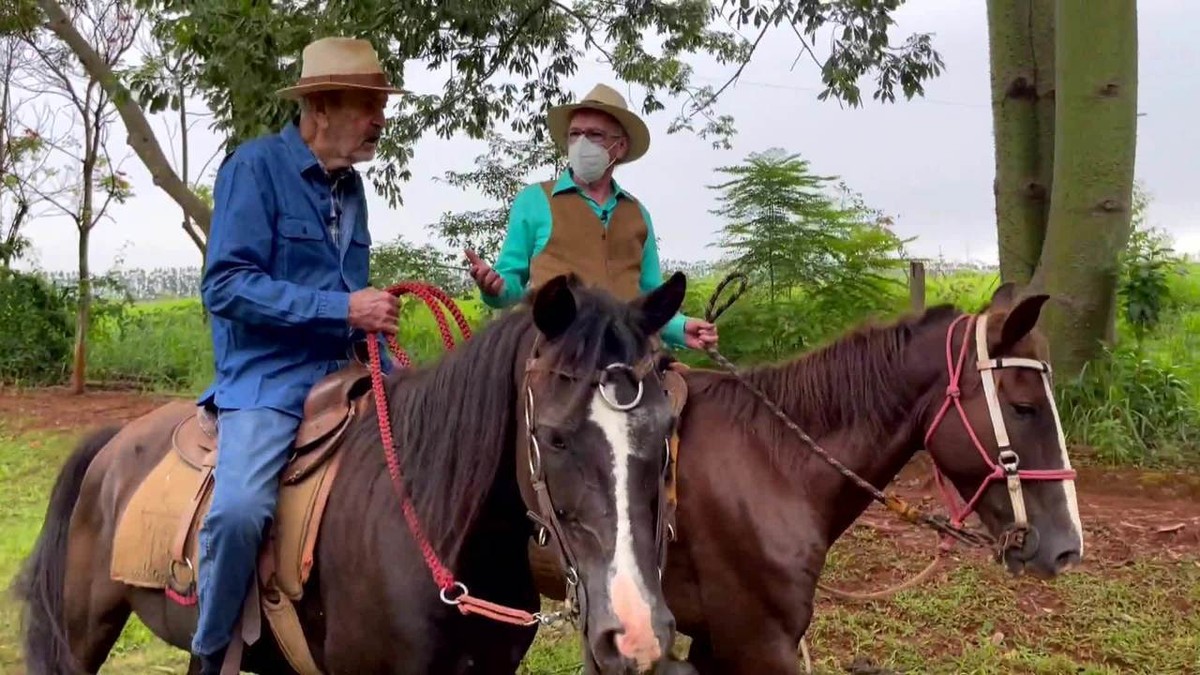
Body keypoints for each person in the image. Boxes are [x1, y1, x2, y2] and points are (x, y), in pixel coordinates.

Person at [190, 37, 403, 674]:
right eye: (368, 105)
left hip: (350, 369)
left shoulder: (352, 189)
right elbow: (225, 286)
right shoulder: (252, 170)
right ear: (318, 109)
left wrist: (378, 337)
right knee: (239, 512)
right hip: (267, 379)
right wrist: (344, 310)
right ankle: (208, 653)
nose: (380, 119)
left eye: (380, 105)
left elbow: (347, 290)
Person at [464, 83, 718, 351]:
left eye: (594, 135)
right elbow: (510, 284)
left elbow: (649, 294)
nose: (581, 143)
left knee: (693, 389)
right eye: (575, 134)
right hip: (556, 353)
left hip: (627, 352)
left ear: (619, 147)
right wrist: (494, 288)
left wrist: (681, 328)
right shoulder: (535, 200)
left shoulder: (637, 213)